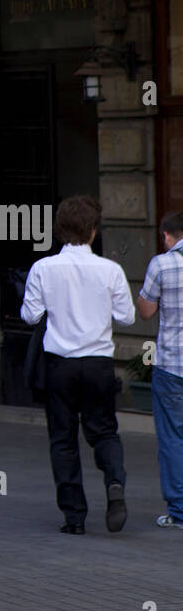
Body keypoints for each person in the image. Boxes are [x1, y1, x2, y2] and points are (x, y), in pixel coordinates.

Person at [22, 195, 135, 534]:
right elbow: (127, 317)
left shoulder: (43, 269)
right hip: (98, 362)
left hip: (60, 365)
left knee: (63, 439)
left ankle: (74, 517)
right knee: (105, 431)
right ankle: (114, 481)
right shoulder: (110, 270)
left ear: (59, 231)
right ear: (93, 231)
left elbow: (30, 316)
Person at [136, 210, 183, 529]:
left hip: (172, 365)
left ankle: (179, 511)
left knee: (172, 439)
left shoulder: (162, 263)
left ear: (167, 235)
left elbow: (146, 311)